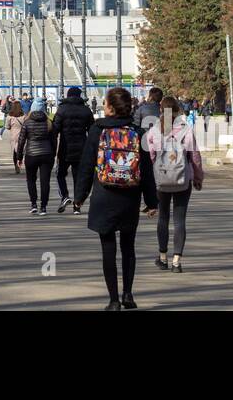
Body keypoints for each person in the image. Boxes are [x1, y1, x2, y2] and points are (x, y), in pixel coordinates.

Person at [74, 87, 157, 310]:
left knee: (108, 248)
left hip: (104, 196)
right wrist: (152, 202)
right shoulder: (138, 133)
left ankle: (113, 300)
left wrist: (79, 196)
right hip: (130, 197)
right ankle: (128, 294)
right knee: (128, 247)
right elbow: (147, 170)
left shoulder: (97, 130)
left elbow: (86, 164)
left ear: (110, 107)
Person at [145, 95, 204, 271]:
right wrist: (198, 178)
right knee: (180, 220)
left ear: (160, 110)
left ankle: (162, 257)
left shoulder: (154, 131)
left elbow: (151, 157)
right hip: (182, 179)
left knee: (163, 217)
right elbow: (194, 156)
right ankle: (177, 261)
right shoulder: (186, 130)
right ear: (178, 111)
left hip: (161, 180)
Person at [52, 86, 94, 212]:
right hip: (81, 148)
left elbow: (55, 129)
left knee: (60, 174)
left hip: (65, 148)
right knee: (78, 177)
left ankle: (64, 195)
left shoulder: (62, 109)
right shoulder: (86, 110)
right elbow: (92, 130)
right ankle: (77, 205)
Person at [18, 98, 58, 215]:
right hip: (46, 154)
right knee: (45, 182)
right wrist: (53, 153)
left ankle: (33, 204)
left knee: (31, 180)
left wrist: (19, 156)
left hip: (31, 154)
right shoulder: (49, 122)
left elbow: (21, 141)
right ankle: (44, 207)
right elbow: (54, 140)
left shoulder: (27, 122)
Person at [4, 100, 26, 174]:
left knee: (14, 151)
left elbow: (7, 127)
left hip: (13, 135)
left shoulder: (9, 116)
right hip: (22, 135)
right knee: (21, 150)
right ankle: (20, 161)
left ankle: (15, 165)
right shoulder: (24, 116)